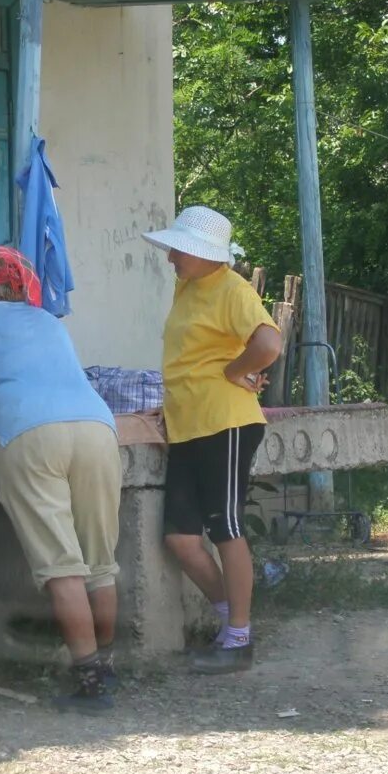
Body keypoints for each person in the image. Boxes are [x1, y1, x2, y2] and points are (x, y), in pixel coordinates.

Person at [0, 246, 123, 712]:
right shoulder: (49, 321)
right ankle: (108, 667)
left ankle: (89, 685)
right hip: (97, 428)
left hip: (30, 432)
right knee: (100, 562)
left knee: (61, 565)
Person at [142, 206, 282, 674]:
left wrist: (233, 371)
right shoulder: (188, 285)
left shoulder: (232, 290)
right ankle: (230, 623)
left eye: (179, 250)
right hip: (188, 425)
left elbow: (268, 344)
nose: (171, 259)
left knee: (225, 526)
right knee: (180, 538)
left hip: (225, 423)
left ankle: (238, 638)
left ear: (206, 254)